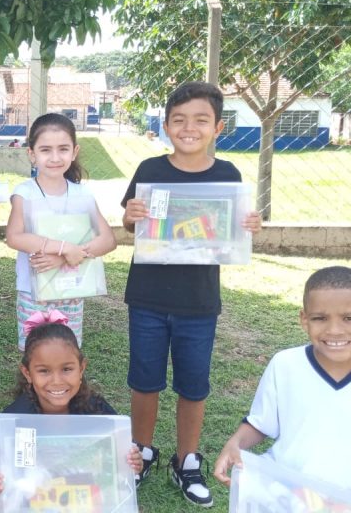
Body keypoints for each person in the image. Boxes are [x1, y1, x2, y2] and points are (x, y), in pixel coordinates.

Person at [120, 81, 262, 505]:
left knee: (193, 386)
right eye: (179, 120)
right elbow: (130, 222)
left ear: (218, 127)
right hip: (147, 298)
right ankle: (142, 453)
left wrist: (249, 226)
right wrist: (130, 215)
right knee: (144, 381)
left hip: (199, 304)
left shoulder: (227, 176)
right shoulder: (150, 170)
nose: (189, 128)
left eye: (201, 120)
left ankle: (187, 461)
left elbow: (232, 231)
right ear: (165, 126)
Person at [213, 266, 351, 512]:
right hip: (282, 503)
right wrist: (235, 443)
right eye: (320, 318)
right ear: (304, 320)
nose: (334, 330)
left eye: (349, 318)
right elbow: (261, 422)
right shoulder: (285, 364)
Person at [0, 322, 143, 512]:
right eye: (44, 371)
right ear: (27, 373)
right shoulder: (15, 422)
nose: (56, 381)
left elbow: (118, 476)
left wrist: (131, 463)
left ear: (81, 368)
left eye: (66, 369)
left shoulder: (98, 412)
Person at [5, 113, 117, 350]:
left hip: (72, 290)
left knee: (67, 351)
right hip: (33, 293)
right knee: (34, 353)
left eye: (63, 149)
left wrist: (68, 257)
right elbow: (14, 237)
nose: (55, 158)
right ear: (32, 154)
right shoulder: (25, 193)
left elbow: (107, 240)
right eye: (45, 150)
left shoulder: (83, 194)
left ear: (74, 152)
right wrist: (64, 248)